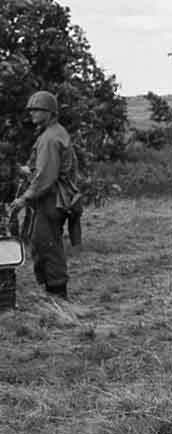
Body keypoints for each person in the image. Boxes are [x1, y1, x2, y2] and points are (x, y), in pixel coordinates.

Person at [9, 91, 81, 299]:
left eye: (37, 109)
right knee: (43, 243)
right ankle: (53, 294)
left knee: (47, 245)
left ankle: (58, 298)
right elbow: (45, 170)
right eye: (31, 109)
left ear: (50, 112)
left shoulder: (49, 138)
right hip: (53, 197)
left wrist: (24, 199)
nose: (32, 113)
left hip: (52, 199)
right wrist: (26, 170)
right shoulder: (53, 133)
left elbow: (45, 178)